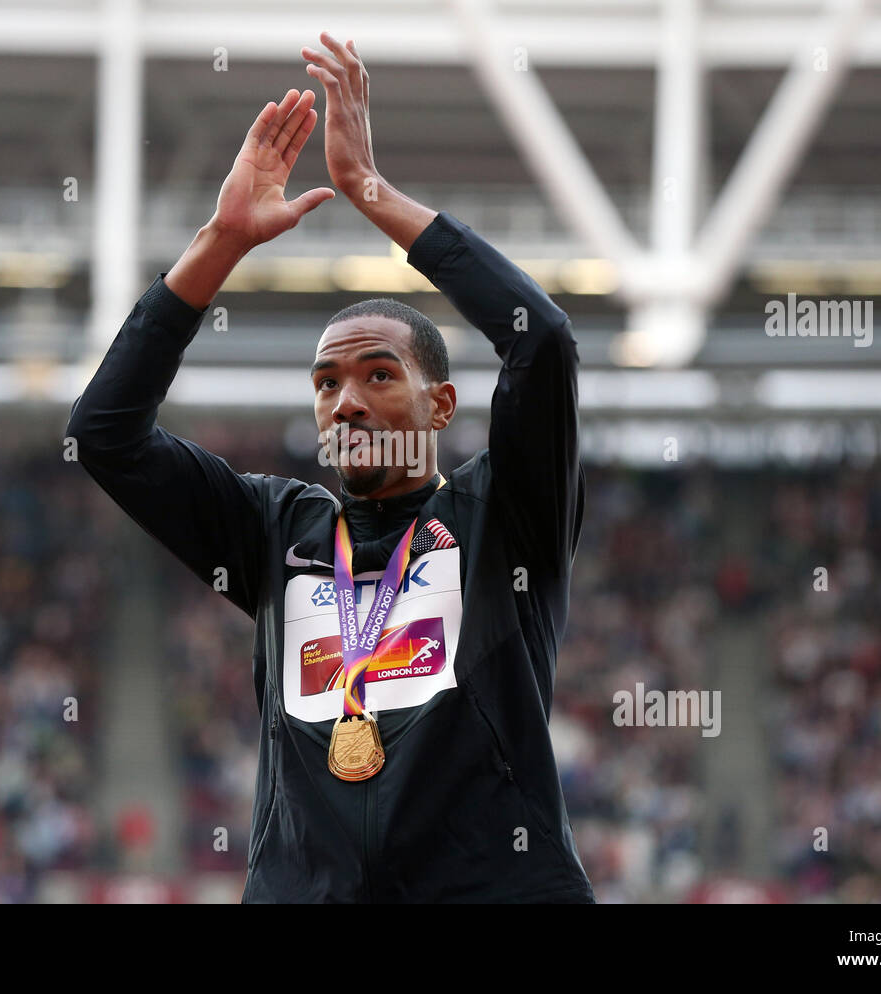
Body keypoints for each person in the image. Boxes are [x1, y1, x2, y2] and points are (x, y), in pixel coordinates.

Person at [66, 32, 594, 903]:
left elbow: (541, 338)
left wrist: (369, 193)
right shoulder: (276, 534)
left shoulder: (503, 517)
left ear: (442, 405)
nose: (345, 401)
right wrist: (221, 242)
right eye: (325, 383)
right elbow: (105, 435)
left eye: (378, 375)